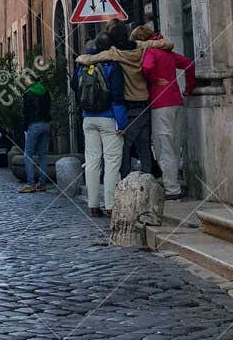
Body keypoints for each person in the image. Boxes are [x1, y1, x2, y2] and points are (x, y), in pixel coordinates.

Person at [77, 19, 162, 179]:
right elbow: (165, 44)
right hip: (144, 102)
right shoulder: (140, 47)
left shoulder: (114, 53)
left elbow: (86, 59)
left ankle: (126, 184)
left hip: (128, 105)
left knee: (125, 148)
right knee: (144, 147)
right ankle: (149, 180)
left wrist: (83, 59)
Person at [132, 22, 195, 198]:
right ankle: (174, 184)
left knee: (163, 146)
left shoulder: (150, 52)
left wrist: (152, 81)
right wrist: (189, 88)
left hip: (160, 104)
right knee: (174, 145)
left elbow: (147, 67)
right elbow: (189, 64)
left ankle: (172, 189)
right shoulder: (168, 53)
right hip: (176, 101)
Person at [73, 40, 128, 216]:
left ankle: (93, 205)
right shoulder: (112, 66)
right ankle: (111, 205)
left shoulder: (81, 66)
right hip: (109, 118)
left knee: (92, 162)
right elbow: (118, 96)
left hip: (88, 118)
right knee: (112, 162)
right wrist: (122, 122)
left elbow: (75, 86)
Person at [19, 77, 52, 194]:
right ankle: (42, 184)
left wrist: (25, 128)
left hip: (34, 125)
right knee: (42, 154)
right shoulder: (45, 91)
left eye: (26, 80)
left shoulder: (28, 93)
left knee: (28, 154)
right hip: (46, 124)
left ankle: (30, 184)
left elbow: (25, 112)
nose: (24, 82)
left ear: (31, 80)